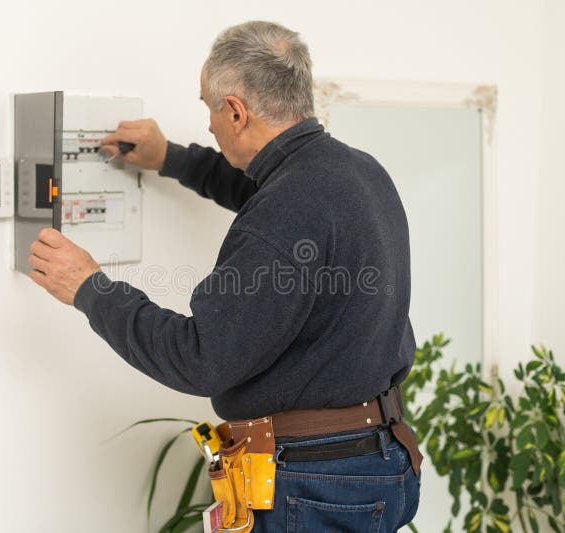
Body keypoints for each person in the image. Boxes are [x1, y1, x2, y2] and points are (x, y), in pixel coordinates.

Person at [28, 20, 420, 532]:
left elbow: (201, 359)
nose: (209, 125)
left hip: (314, 487)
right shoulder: (358, 172)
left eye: (208, 108)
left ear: (235, 111)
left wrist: (89, 289)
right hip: (379, 461)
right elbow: (269, 196)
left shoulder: (288, 208)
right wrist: (170, 158)